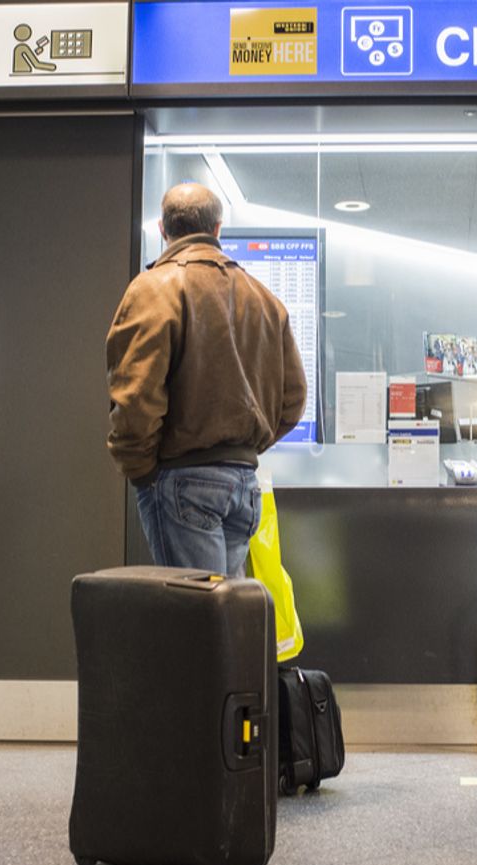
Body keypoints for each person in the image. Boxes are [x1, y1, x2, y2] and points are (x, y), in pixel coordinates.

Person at [106, 183, 307, 576]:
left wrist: (142, 471)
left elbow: (135, 400)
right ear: (217, 229)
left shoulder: (152, 289)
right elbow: (293, 400)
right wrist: (244, 449)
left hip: (181, 481)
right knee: (223, 620)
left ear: (163, 229)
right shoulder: (265, 299)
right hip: (244, 487)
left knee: (195, 624)